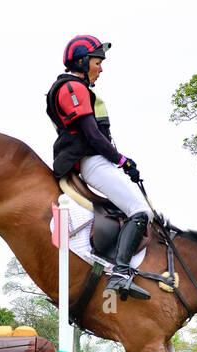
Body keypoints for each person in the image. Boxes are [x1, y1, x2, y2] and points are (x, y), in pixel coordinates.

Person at [46, 35, 151, 300]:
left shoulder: (80, 88)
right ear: (81, 62)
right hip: (92, 161)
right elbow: (93, 137)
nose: (101, 69)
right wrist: (122, 161)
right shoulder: (72, 88)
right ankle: (121, 272)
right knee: (140, 210)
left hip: (96, 159)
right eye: (97, 62)